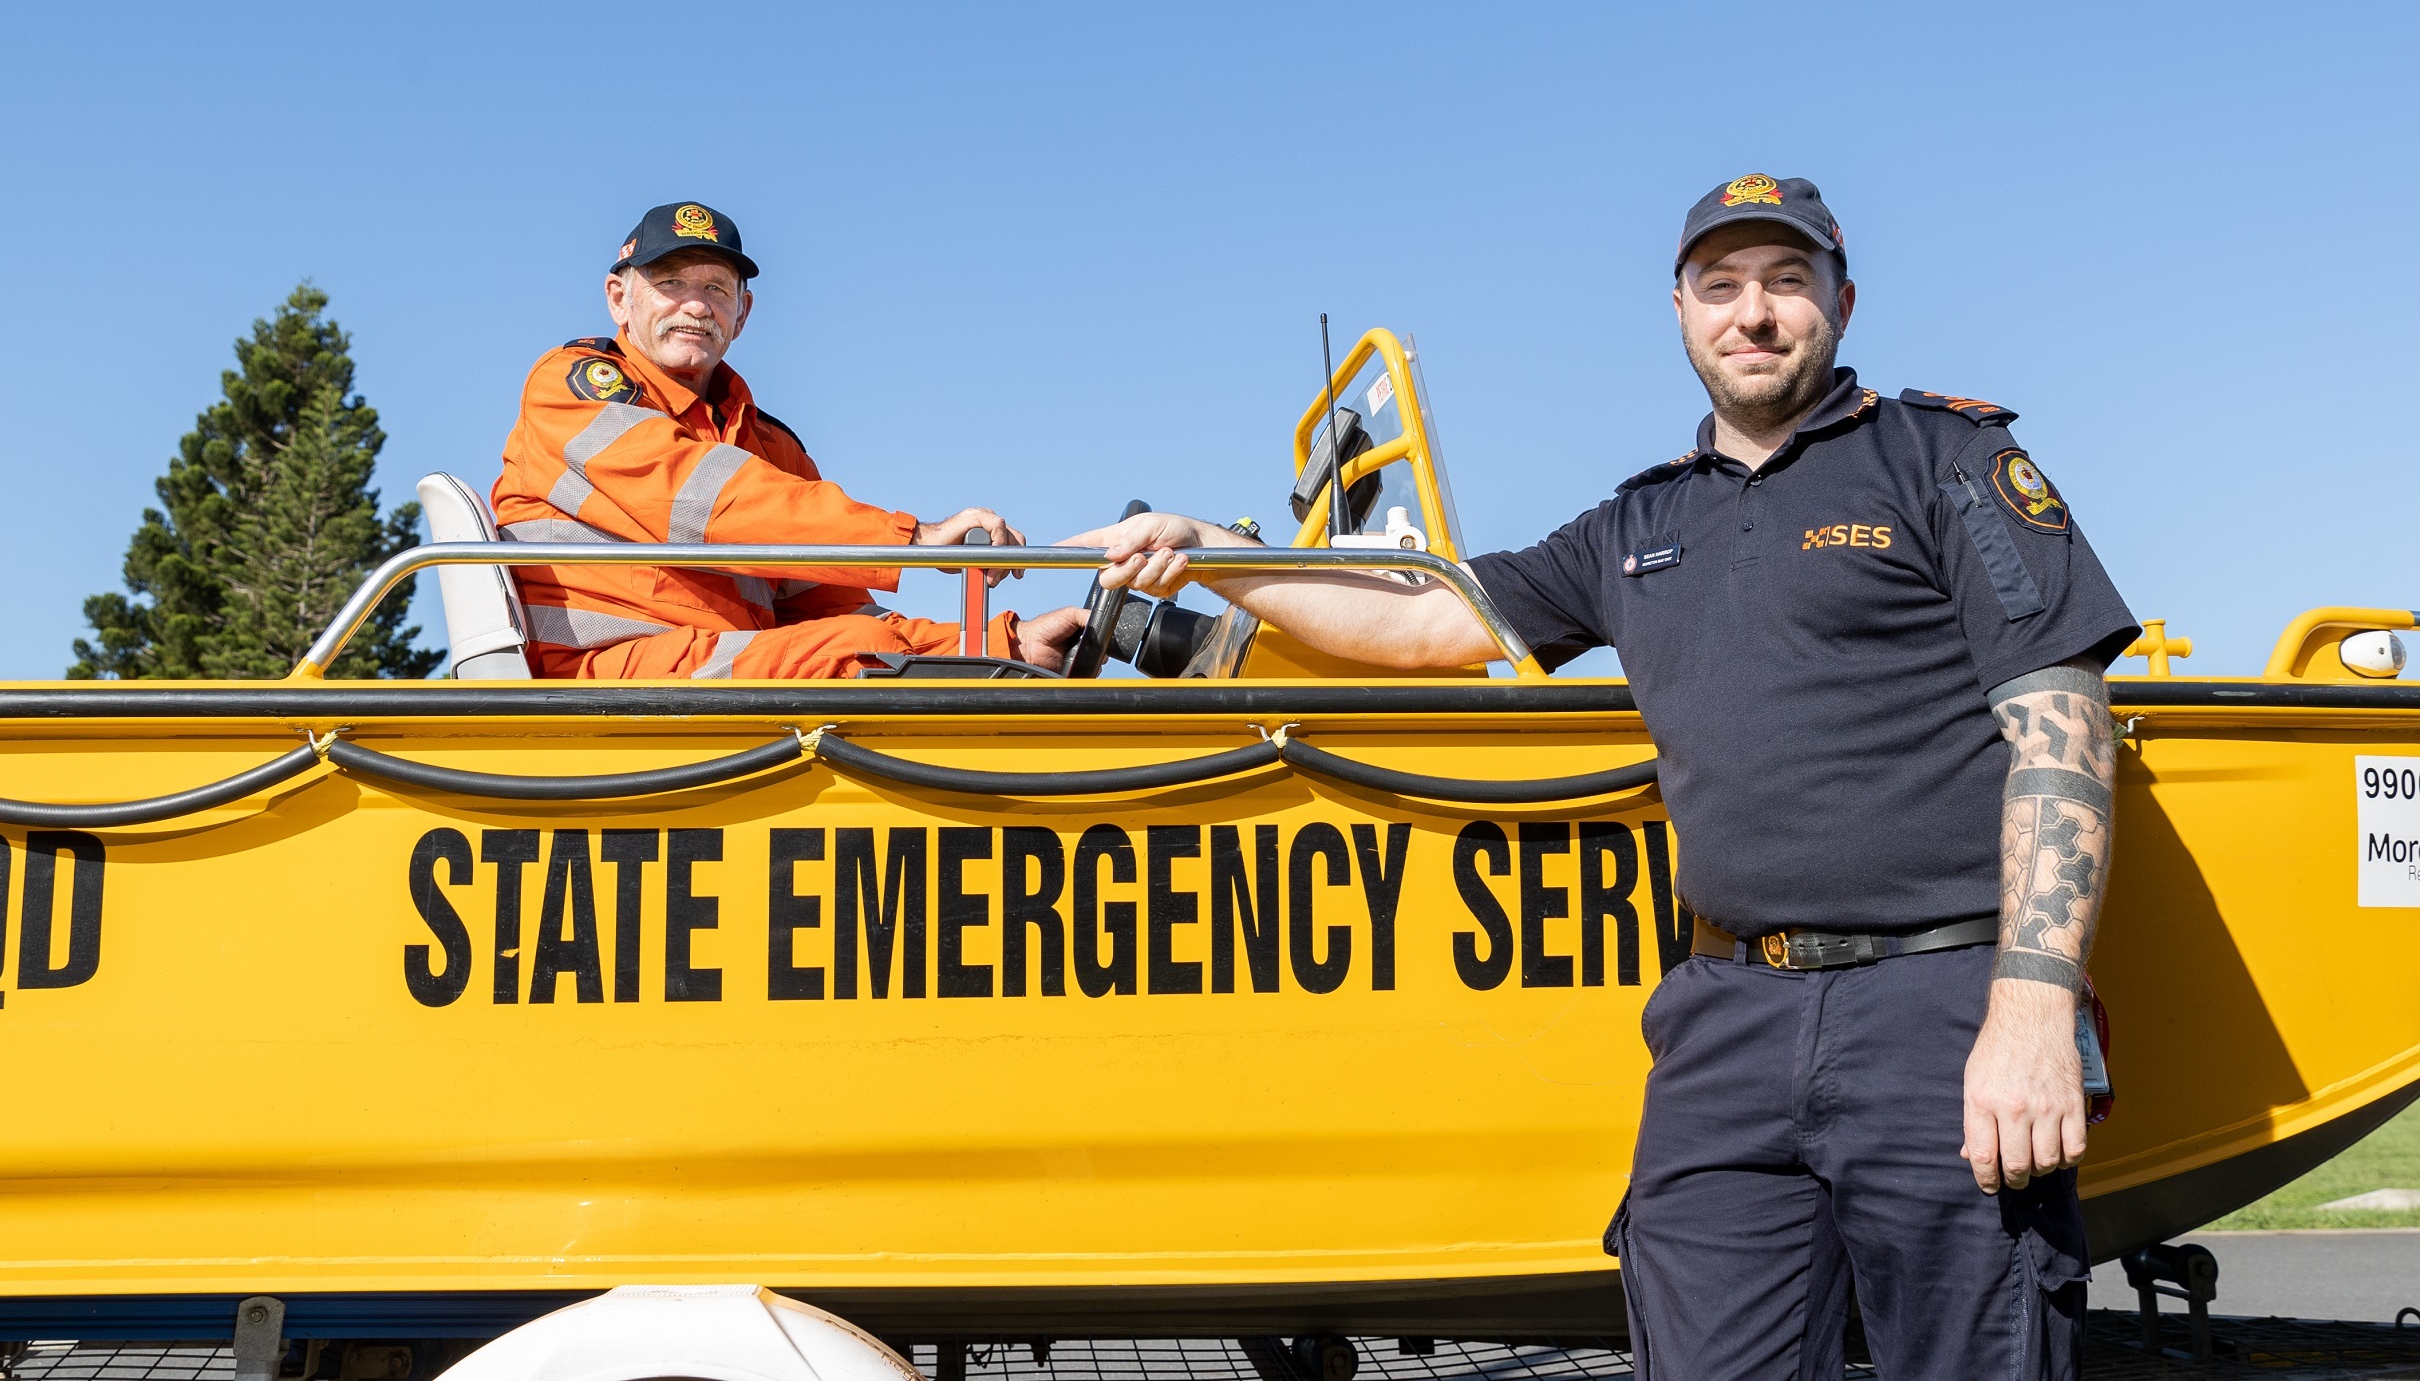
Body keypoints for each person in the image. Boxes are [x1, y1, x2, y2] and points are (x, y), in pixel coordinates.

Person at [1066, 174, 2137, 1378]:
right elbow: (1427, 622)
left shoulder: (1944, 461)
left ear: (1841, 300)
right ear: (1679, 310)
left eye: (1787, 282)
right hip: (1727, 1013)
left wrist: (2035, 1006)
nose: (1755, 314)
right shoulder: (1635, 526)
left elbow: (2062, 729)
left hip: (1937, 1007)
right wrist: (1220, 556)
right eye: (1721, 287)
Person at [494, 201, 1086, 680]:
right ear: (620, 299)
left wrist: (1004, 640)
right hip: (600, 674)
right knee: (861, 651)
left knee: (866, 641)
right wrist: (914, 538)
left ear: (742, 313)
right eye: (670, 283)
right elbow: (693, 491)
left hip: (713, 665)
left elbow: (834, 606)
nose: (696, 306)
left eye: (717, 289)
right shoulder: (571, 388)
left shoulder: (768, 444)